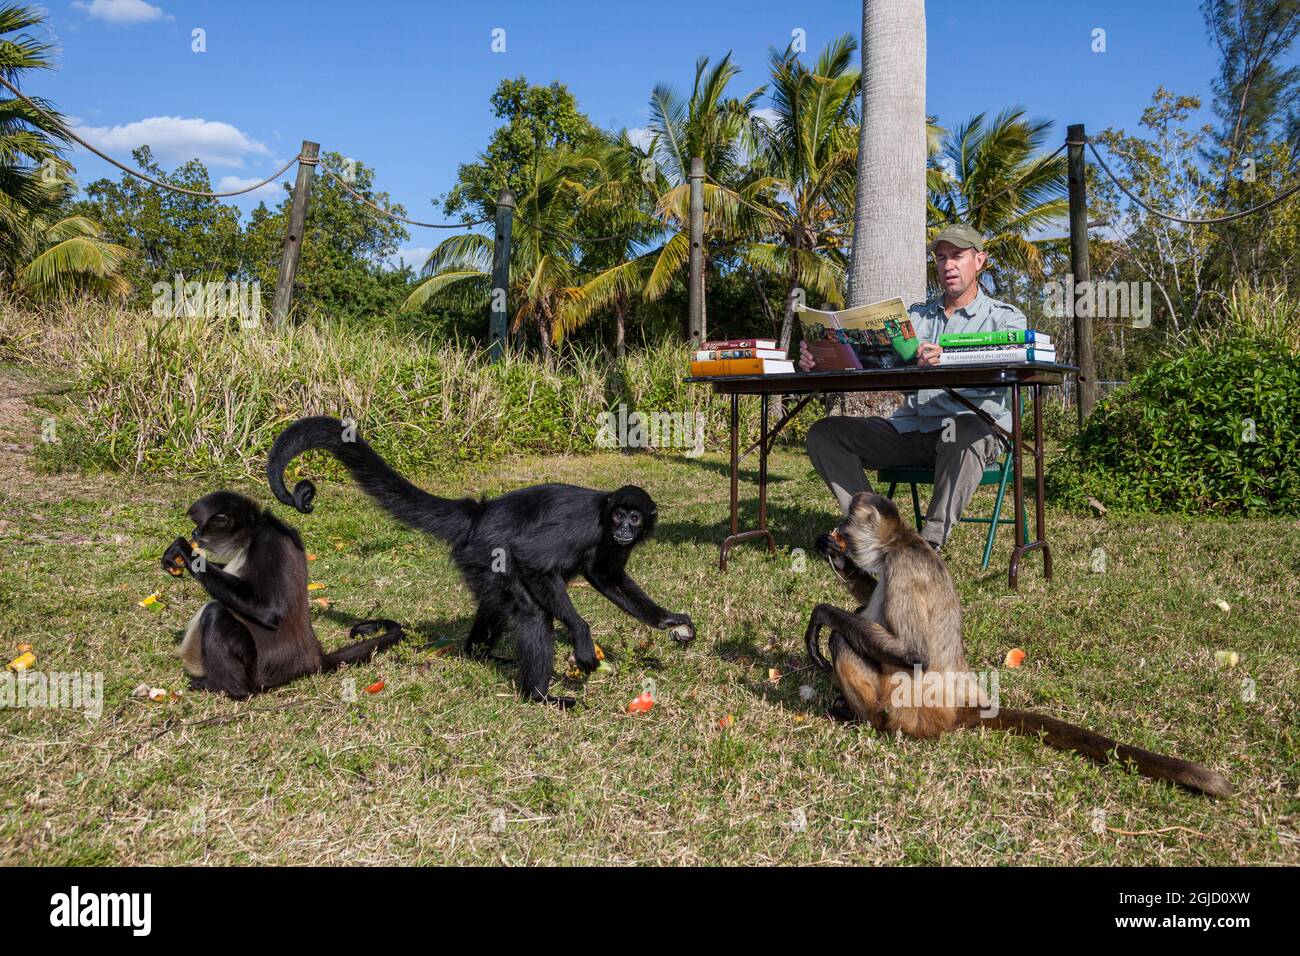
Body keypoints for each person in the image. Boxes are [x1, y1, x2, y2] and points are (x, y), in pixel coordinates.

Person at [800, 223, 1026, 552]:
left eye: (957, 256)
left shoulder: (1005, 319)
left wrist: (949, 357)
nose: (948, 265)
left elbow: (1016, 358)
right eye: (940, 258)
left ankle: (926, 546)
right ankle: (873, 530)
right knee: (825, 433)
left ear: (979, 261)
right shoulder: (913, 319)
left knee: (966, 428)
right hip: (911, 428)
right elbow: (867, 362)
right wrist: (819, 358)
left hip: (967, 430)